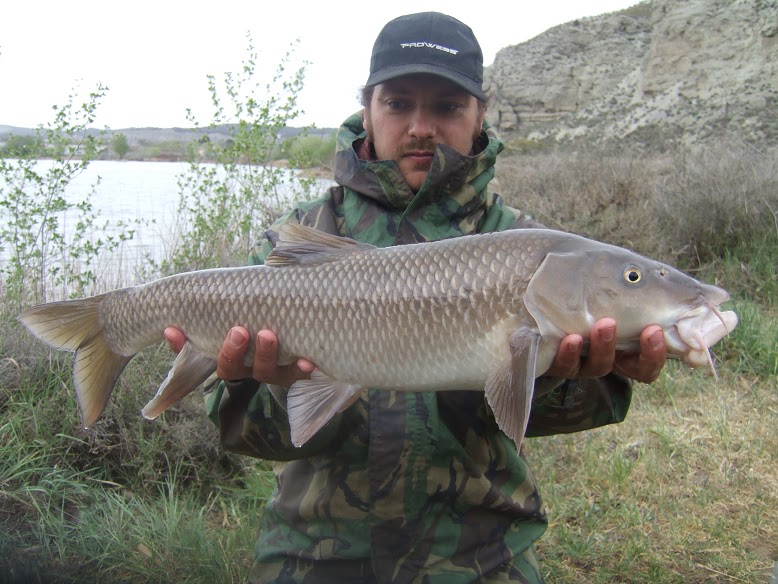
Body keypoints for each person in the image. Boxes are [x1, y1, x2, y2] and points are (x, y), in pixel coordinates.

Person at [166, 12, 666, 583]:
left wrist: (560, 376)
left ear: (481, 113)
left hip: (481, 554)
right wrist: (269, 387)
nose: (420, 127)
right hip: (314, 553)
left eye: (448, 107)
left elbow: (567, 413)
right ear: (368, 109)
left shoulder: (526, 244)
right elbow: (242, 432)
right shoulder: (296, 236)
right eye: (399, 103)